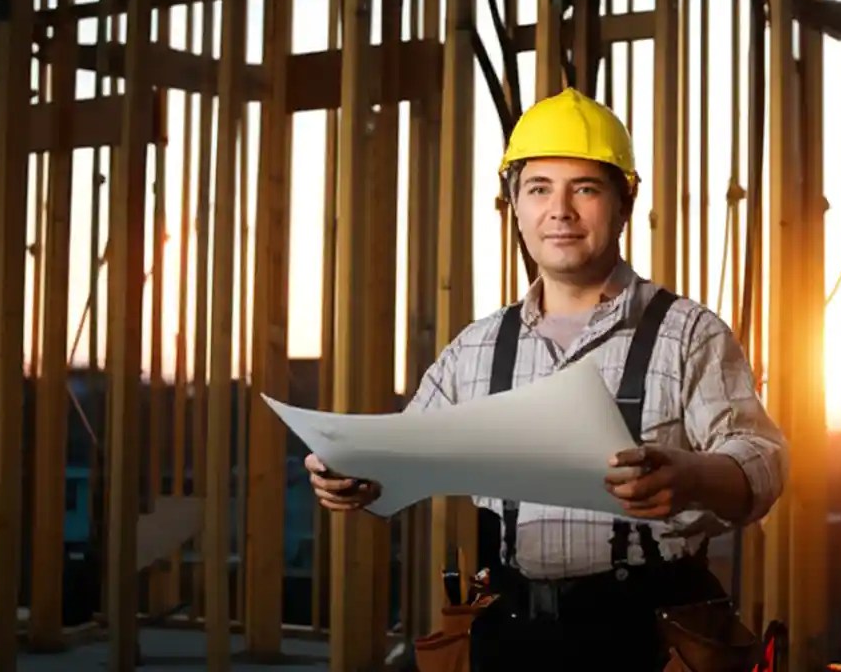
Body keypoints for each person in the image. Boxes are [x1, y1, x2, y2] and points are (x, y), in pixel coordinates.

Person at [305, 87, 788, 670]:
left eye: (584, 188)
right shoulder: (477, 348)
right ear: (515, 206)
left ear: (623, 203)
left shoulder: (687, 333)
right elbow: (400, 454)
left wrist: (694, 476)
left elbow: (762, 459)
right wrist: (351, 472)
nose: (559, 210)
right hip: (511, 636)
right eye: (539, 189)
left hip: (648, 636)